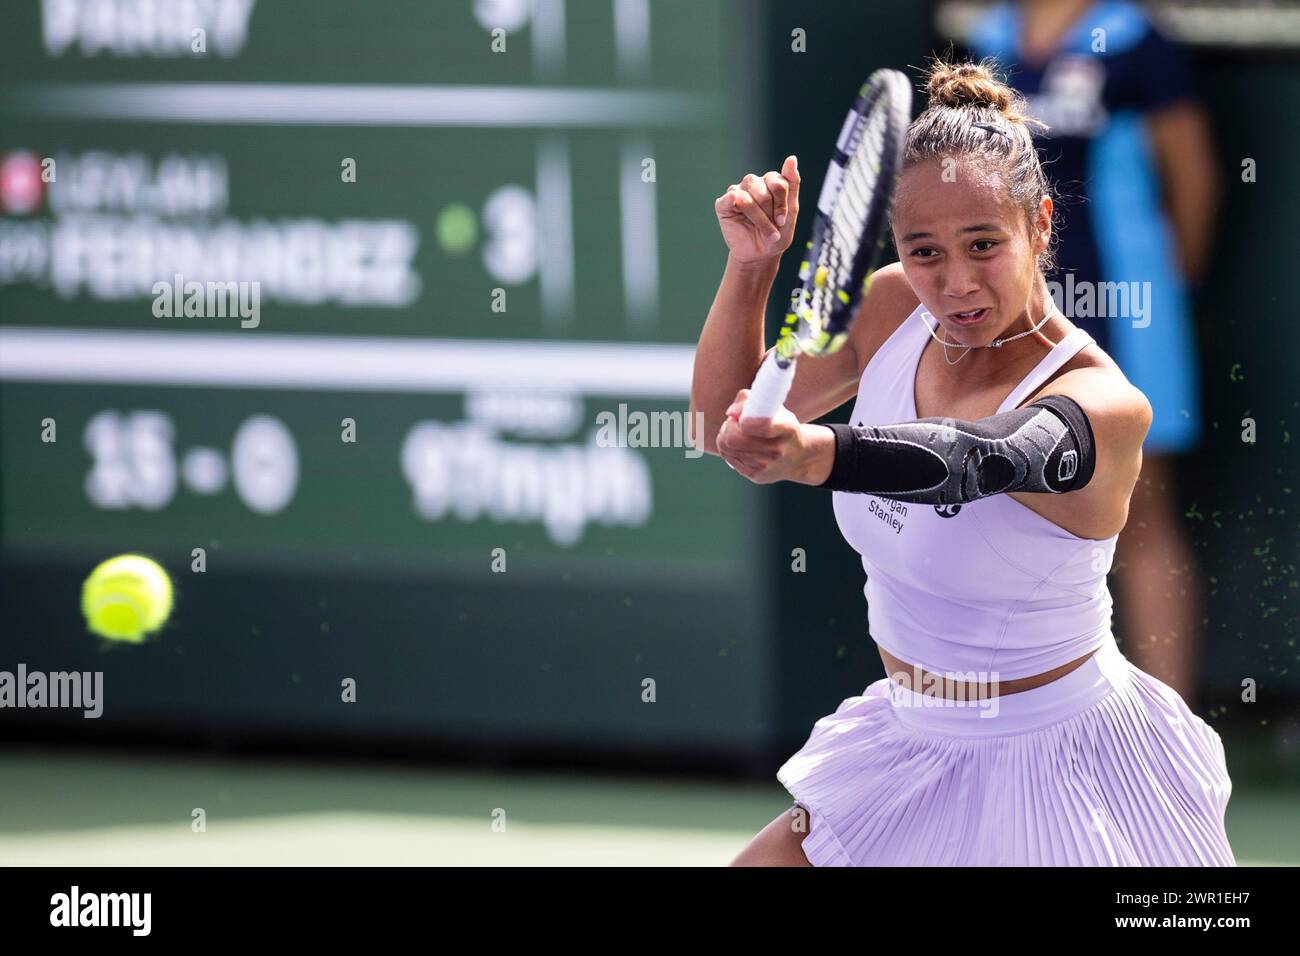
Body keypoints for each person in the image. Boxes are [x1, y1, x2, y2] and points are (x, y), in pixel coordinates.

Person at [689, 59, 1234, 866]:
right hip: (912, 746)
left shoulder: (1104, 403)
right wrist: (752, 269)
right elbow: (715, 420)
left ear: (1042, 225)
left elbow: (978, 459)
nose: (956, 283)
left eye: (984, 244)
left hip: (1065, 766)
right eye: (924, 252)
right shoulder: (889, 308)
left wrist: (815, 454)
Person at [967, 0, 1222, 707]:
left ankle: (1168, 728)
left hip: (1128, 315)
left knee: (1142, 511)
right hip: (1012, 319)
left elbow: (1193, 179)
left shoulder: (1139, 41)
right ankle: (1021, 713)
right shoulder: (989, 39)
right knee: (1008, 514)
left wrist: (1162, 297)